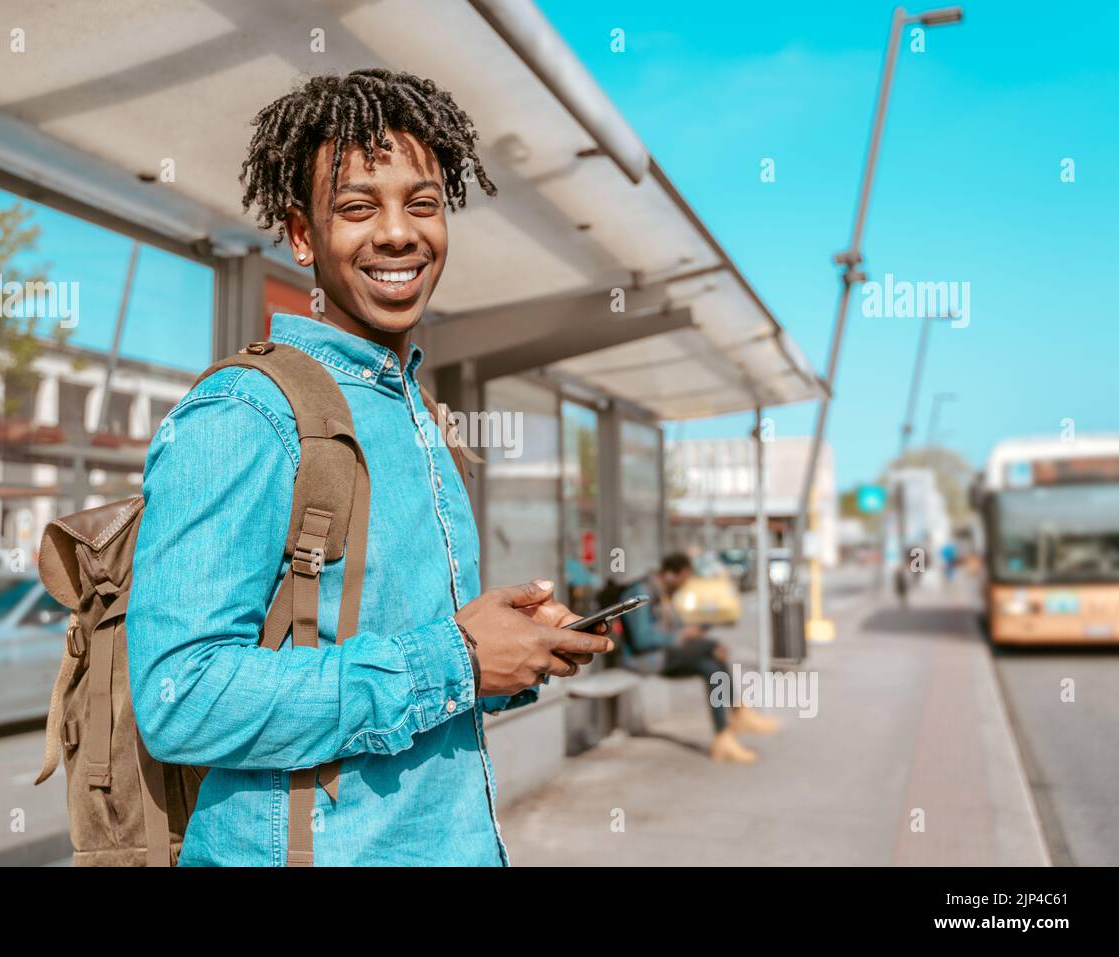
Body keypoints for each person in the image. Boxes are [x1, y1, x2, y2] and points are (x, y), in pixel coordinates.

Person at [125, 69, 613, 866]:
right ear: (302, 234)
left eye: (422, 204)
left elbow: (410, 656)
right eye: (357, 207)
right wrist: (455, 656)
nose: (397, 234)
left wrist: (509, 652)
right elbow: (182, 697)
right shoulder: (245, 413)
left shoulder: (414, 412)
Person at [619, 553, 779, 763]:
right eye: (683, 580)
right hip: (644, 659)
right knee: (712, 649)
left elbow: (675, 627)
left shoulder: (663, 594)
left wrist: (688, 632)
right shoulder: (640, 592)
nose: (684, 586)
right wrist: (682, 637)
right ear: (670, 575)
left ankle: (724, 737)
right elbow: (642, 638)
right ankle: (737, 713)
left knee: (711, 668)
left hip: (662, 655)